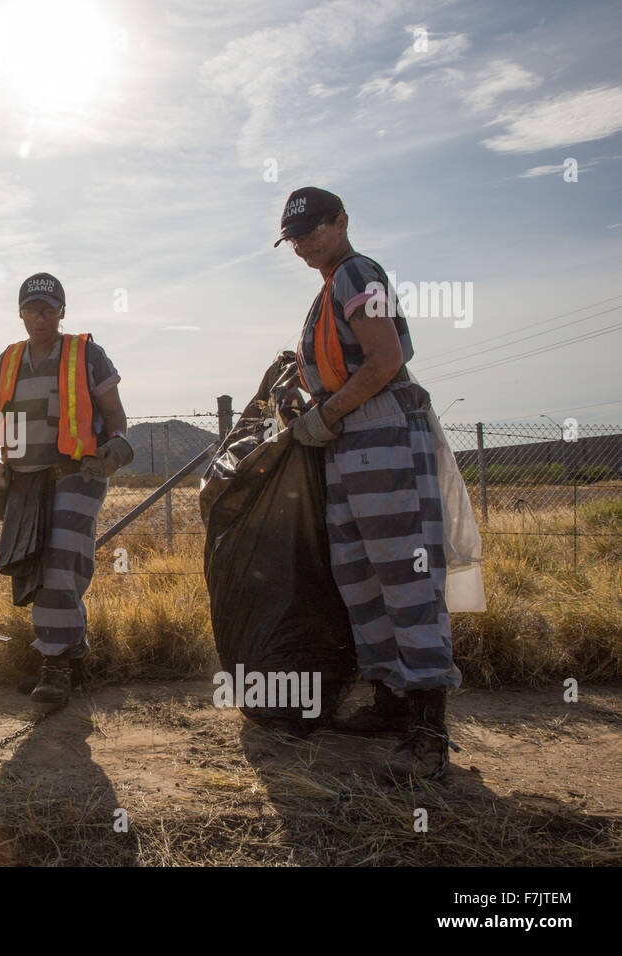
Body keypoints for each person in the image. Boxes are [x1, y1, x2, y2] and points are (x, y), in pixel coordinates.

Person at [274, 187, 461, 779]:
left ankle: (429, 727)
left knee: (405, 576)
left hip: (378, 431)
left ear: (342, 223)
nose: (304, 245)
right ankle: (389, 700)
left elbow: (384, 360)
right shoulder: (329, 291)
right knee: (361, 577)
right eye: (295, 238)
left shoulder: (358, 273)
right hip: (349, 440)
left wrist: (326, 415)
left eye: (313, 231)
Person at [0, 273, 132, 711]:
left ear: (62, 312)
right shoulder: (9, 358)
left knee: (57, 564)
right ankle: (70, 655)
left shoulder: (87, 353)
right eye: (31, 309)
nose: (39, 317)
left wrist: (114, 451)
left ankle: (54, 665)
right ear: (20, 313)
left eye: (48, 309)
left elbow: (116, 417)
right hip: (25, 479)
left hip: (77, 473)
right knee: (37, 567)